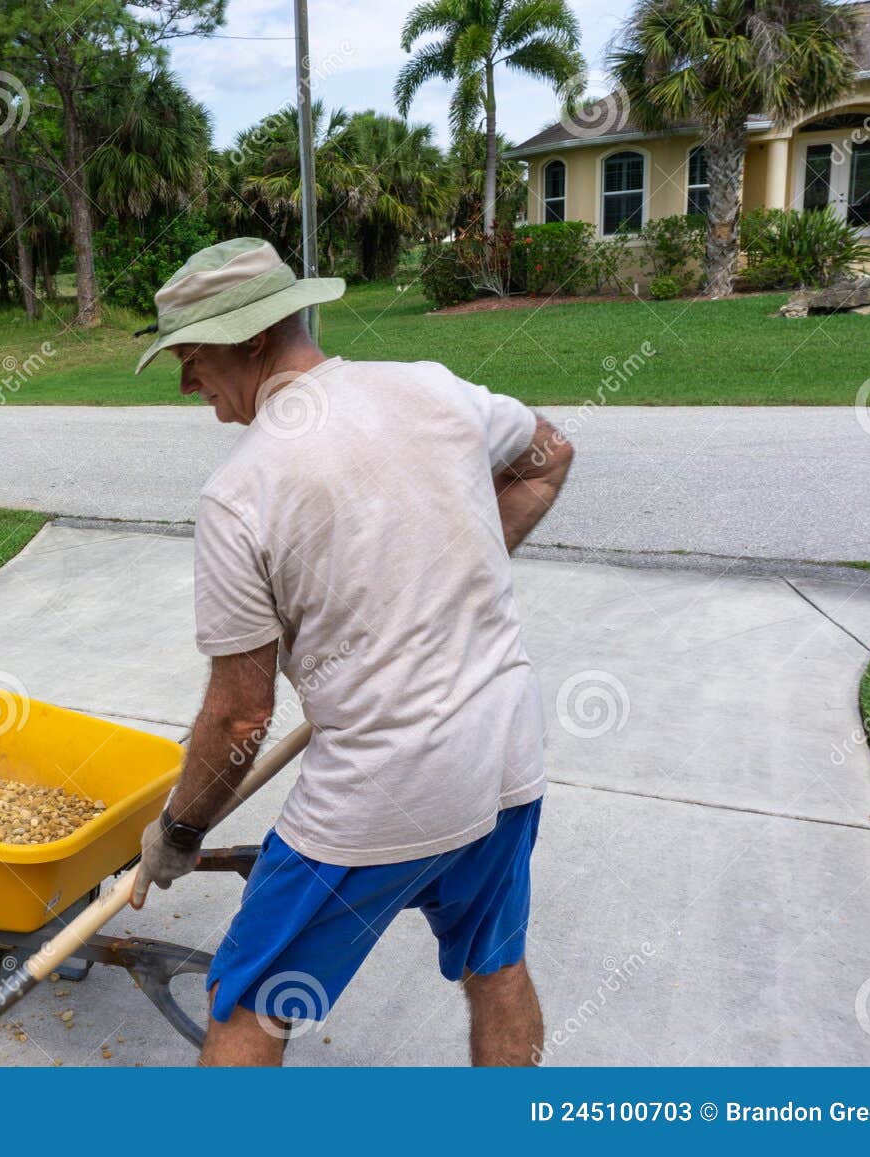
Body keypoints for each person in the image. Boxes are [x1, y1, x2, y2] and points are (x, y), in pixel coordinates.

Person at [128, 238, 573, 1067]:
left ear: (252, 339)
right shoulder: (430, 387)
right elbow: (550, 454)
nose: (187, 382)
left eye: (192, 357)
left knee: (247, 1007)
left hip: (382, 786)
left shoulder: (242, 490)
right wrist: (450, 573)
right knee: (497, 960)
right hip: (506, 753)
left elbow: (241, 716)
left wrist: (180, 830)